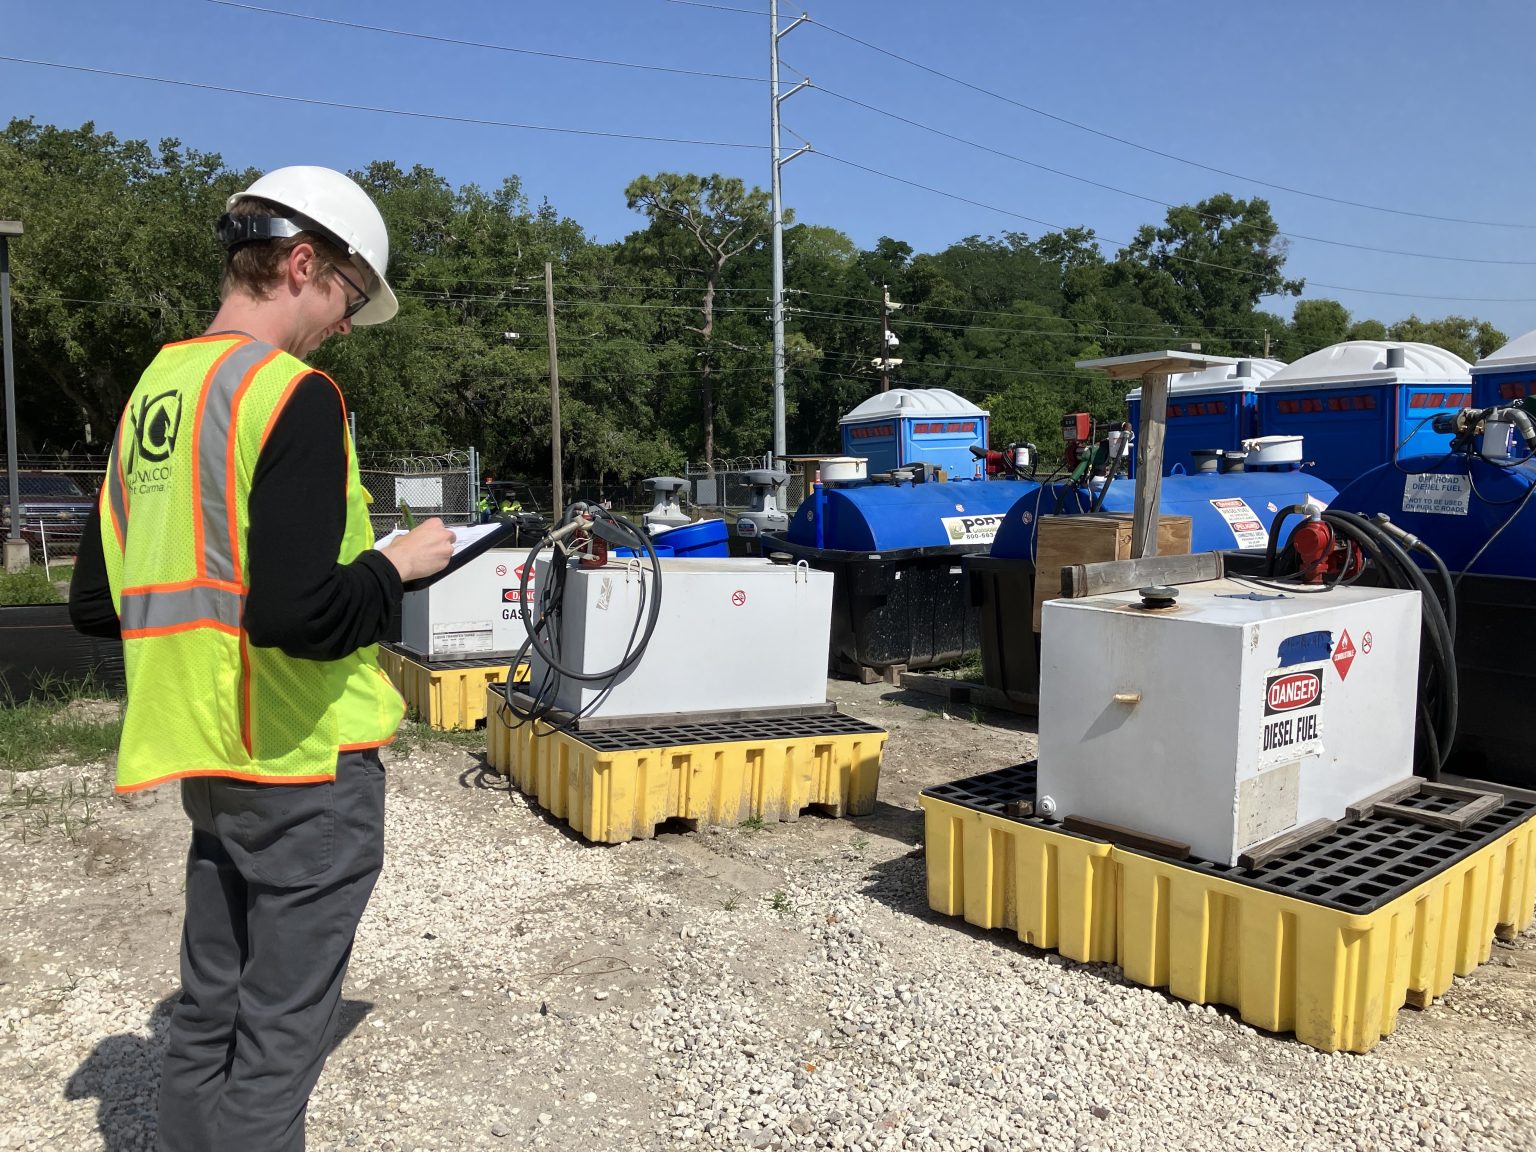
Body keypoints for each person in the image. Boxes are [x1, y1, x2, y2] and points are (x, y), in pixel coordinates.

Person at [68, 165, 455, 1151]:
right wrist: (396, 567)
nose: (343, 327)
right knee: (280, 1045)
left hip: (206, 759)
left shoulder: (156, 393)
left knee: (208, 1016)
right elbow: (301, 616)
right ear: (300, 262)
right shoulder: (292, 397)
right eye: (348, 299)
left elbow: (93, 603)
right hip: (305, 766)